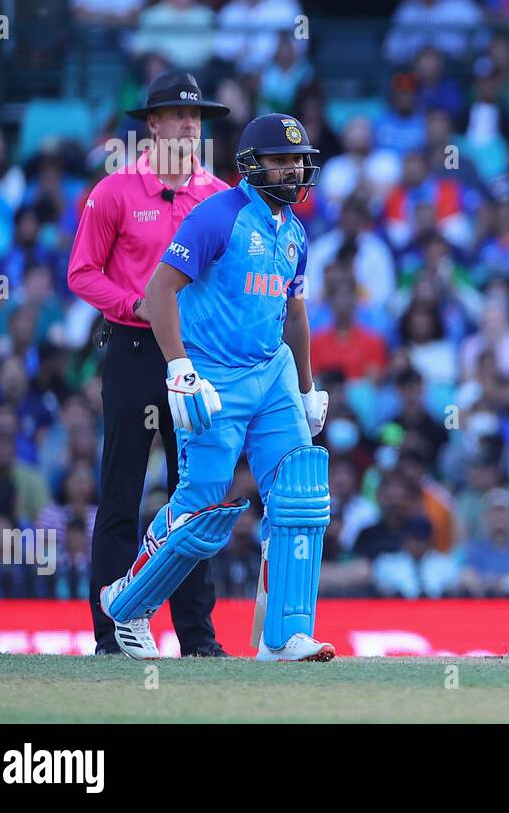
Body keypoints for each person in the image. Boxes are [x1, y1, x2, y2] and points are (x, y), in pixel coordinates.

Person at [99, 113, 334, 662]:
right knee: (202, 505)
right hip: (214, 376)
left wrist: (305, 386)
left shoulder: (294, 232)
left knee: (299, 492)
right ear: (252, 165)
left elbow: (293, 315)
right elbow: (159, 294)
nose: (294, 169)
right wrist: (180, 369)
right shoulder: (217, 216)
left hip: (272, 372)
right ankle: (129, 601)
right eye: (280, 160)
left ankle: (284, 637)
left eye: (298, 160)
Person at [68, 70, 230, 657]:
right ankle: (110, 635)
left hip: (193, 355)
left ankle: (197, 637)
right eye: (178, 116)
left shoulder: (216, 197)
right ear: (152, 125)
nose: (190, 126)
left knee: (196, 494)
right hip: (136, 350)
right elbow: (81, 272)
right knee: (122, 493)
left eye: (197, 118)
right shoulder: (113, 192)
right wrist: (134, 303)